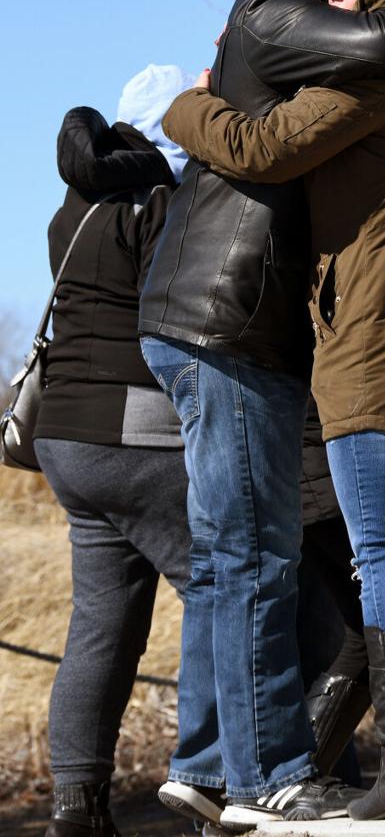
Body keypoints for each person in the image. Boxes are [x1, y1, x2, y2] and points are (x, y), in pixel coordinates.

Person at [138, 0, 385, 834]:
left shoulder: (381, 71)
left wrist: (179, 102)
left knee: (331, 556)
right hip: (381, 338)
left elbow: (260, 144)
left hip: (355, 338)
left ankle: (313, 767)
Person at [32, 84, 186, 837]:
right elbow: (173, 323)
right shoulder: (156, 201)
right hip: (139, 432)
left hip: (63, 436)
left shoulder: (74, 207)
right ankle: (230, 774)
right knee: (236, 591)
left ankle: (76, 804)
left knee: (102, 625)